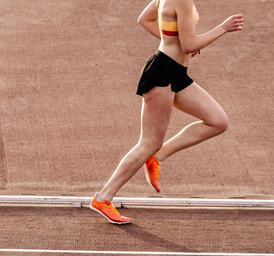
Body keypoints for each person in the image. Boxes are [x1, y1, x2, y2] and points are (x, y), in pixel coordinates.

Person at [90, 0, 244, 224]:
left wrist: (175, 42)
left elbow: (145, 19)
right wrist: (222, 28)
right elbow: (189, 45)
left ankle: (157, 157)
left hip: (177, 73)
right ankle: (102, 198)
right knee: (148, 141)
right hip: (161, 75)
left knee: (218, 121)